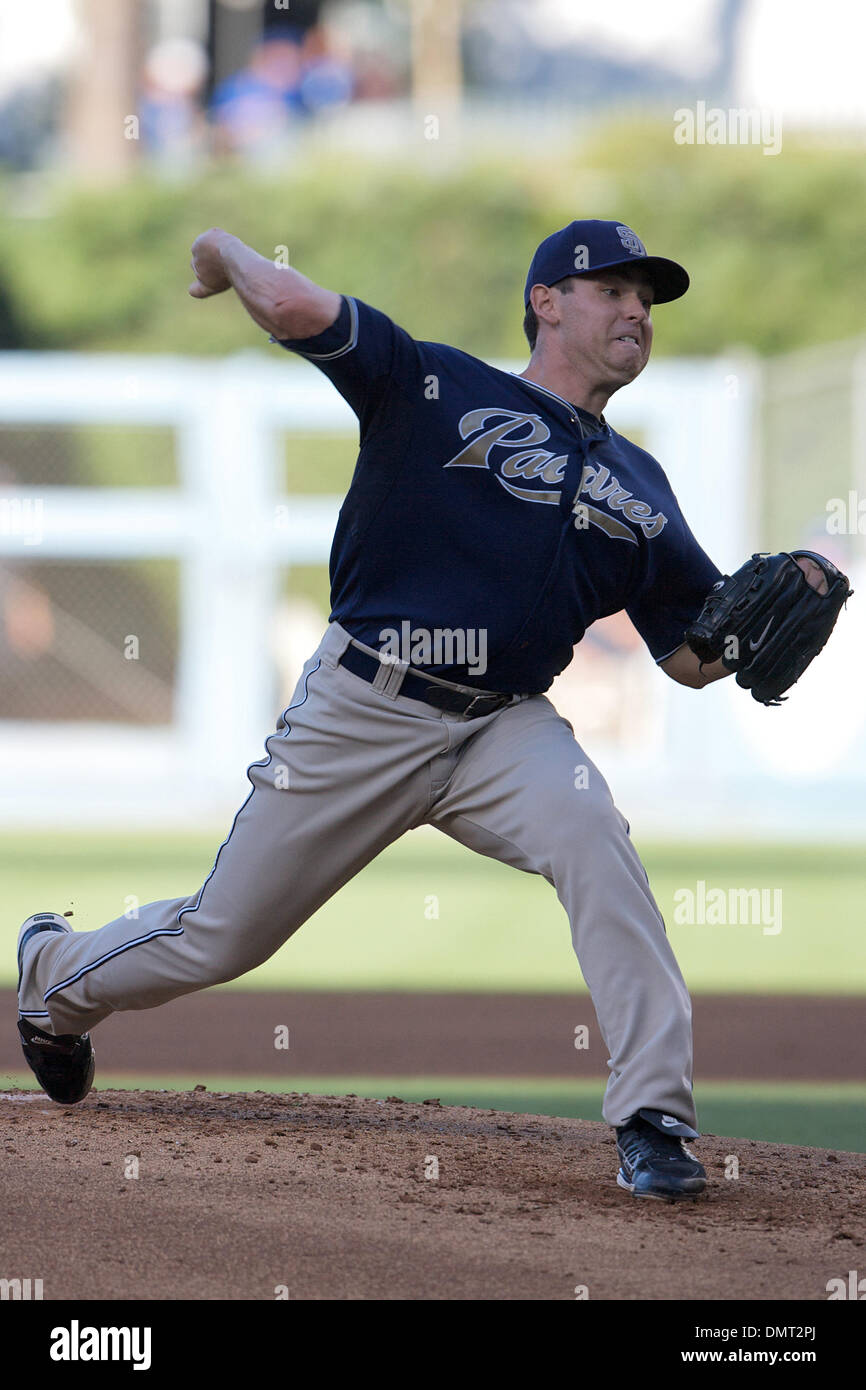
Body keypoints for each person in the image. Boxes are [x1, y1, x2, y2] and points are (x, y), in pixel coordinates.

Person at [15, 218, 825, 1201]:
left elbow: (688, 658)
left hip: (505, 727)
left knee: (595, 844)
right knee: (223, 935)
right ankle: (53, 976)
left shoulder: (640, 488)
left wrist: (761, 624)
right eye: (610, 290)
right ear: (544, 302)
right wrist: (227, 251)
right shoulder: (436, 386)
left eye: (644, 301)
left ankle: (652, 1119)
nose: (634, 313)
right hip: (366, 703)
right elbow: (295, 307)